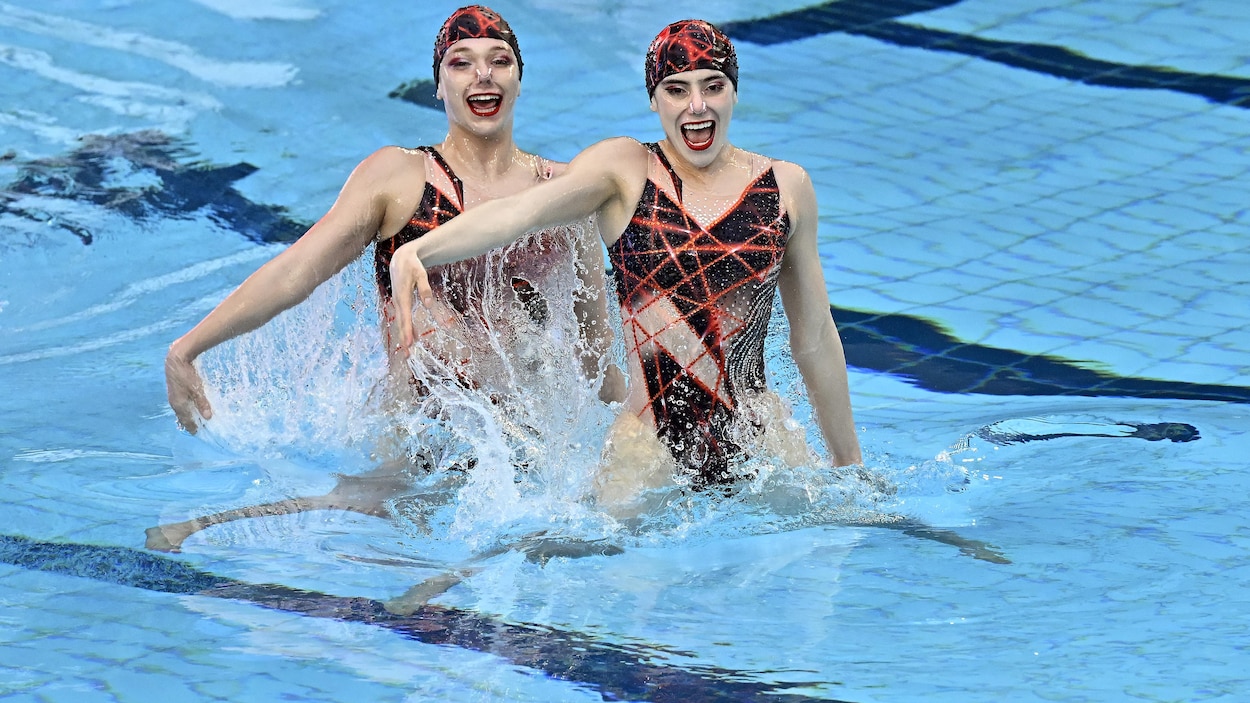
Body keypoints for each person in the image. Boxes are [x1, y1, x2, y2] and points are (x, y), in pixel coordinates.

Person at [149, 5, 623, 552]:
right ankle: (204, 525)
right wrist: (187, 349)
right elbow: (297, 271)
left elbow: (594, 346)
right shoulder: (400, 178)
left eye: (500, 61)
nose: (483, 75)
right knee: (361, 515)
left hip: (525, 446)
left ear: (519, 79)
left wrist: (637, 429)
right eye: (461, 63)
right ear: (438, 86)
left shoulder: (564, 194)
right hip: (416, 437)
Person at [390, 19, 863, 512]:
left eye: (713, 86)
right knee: (590, 551)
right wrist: (419, 250)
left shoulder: (785, 187)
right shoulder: (626, 171)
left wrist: (849, 461)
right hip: (648, 451)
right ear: (654, 100)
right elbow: (520, 213)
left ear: (734, 93)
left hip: (760, 441)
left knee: (842, 531)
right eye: (676, 89)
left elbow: (814, 337)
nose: (697, 106)